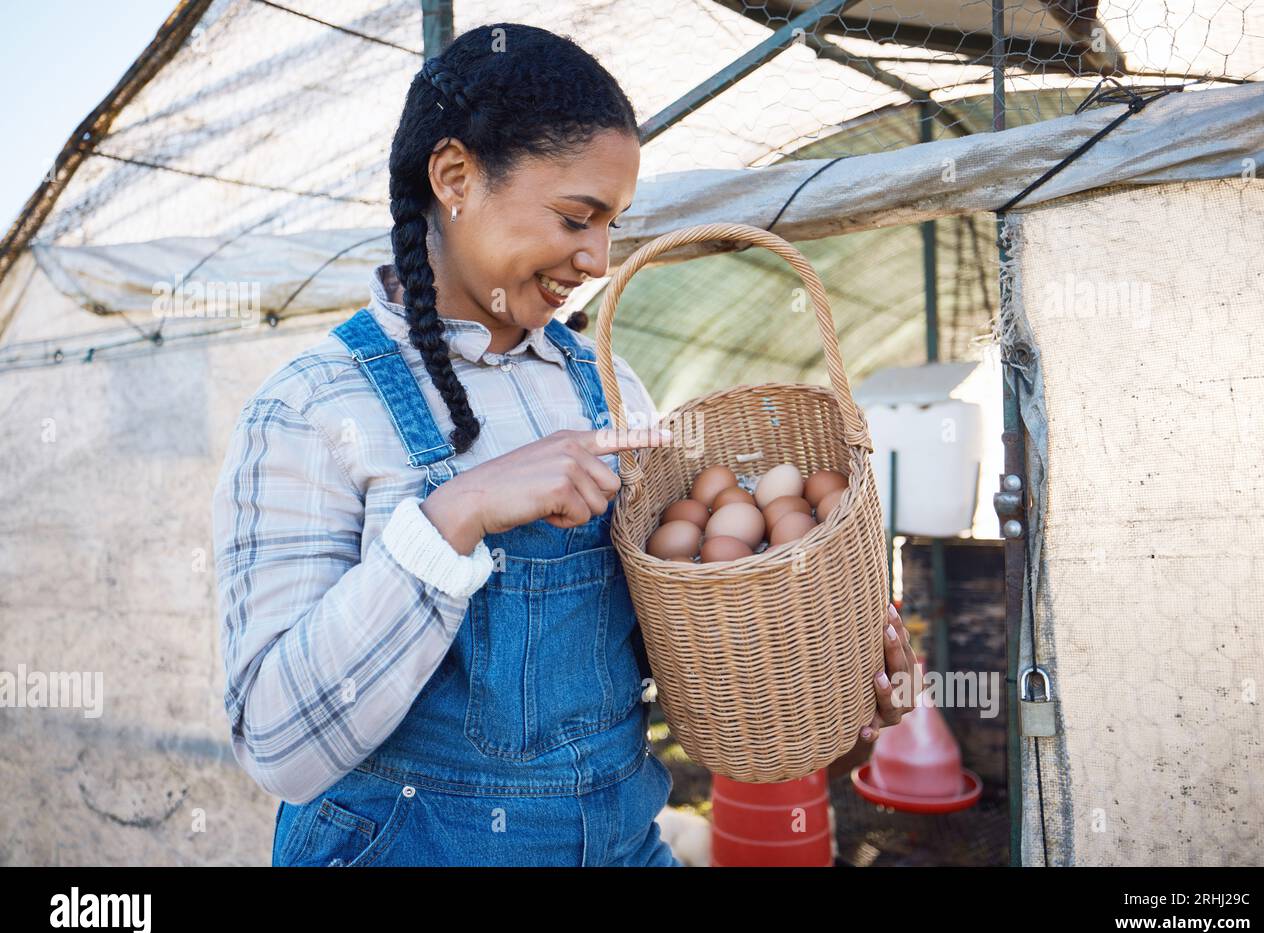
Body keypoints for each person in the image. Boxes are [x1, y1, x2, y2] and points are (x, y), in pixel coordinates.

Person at [211, 22, 915, 867]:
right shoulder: (311, 410)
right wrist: (456, 512)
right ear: (454, 177)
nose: (598, 257)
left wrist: (817, 660)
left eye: (613, 224)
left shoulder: (610, 388)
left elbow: (658, 642)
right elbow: (279, 747)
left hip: (619, 840)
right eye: (578, 217)